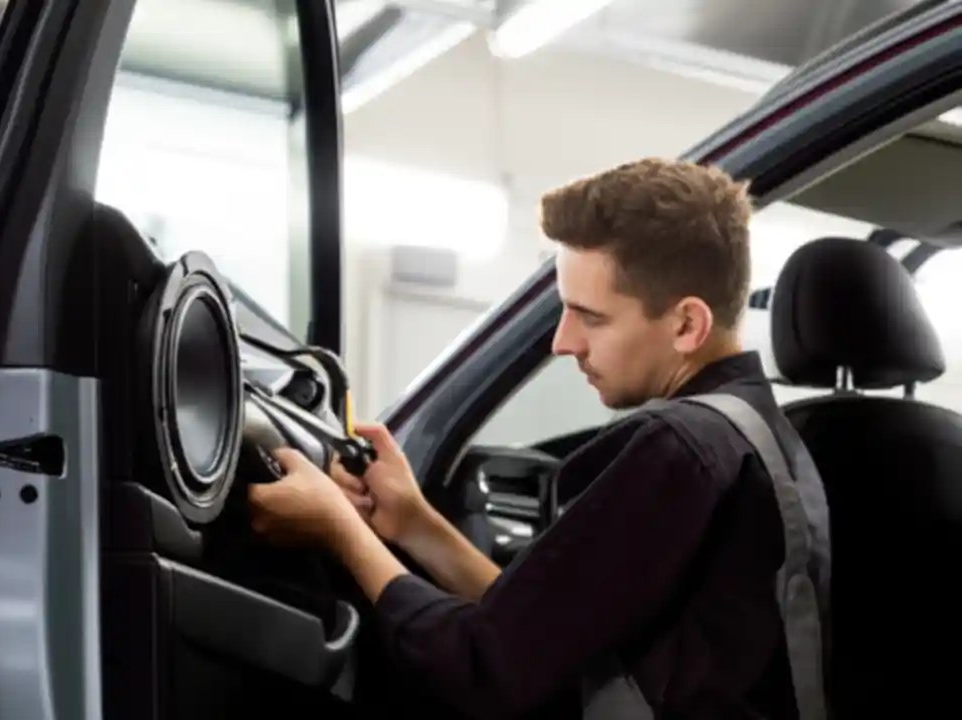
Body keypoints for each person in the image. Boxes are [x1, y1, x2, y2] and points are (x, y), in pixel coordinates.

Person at [246, 157, 829, 719]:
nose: (562, 342)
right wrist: (415, 524)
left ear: (686, 324)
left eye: (591, 317)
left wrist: (340, 530)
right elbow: (540, 635)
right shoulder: (762, 440)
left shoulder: (677, 449)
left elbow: (486, 670)